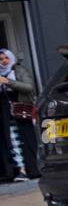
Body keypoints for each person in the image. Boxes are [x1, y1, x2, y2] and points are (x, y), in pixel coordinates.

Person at [0, 48, 37, 183]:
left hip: (21, 109)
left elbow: (28, 87)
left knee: (27, 139)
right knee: (13, 141)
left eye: (6, 58)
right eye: (1, 59)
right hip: (7, 113)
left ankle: (33, 169)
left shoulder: (18, 70)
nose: (4, 61)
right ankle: (21, 170)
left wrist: (8, 82)